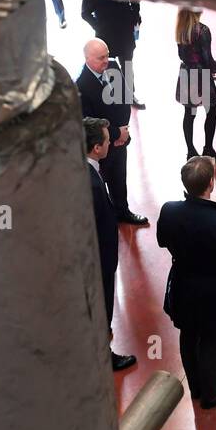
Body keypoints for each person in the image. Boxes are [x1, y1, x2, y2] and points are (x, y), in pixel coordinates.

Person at [157, 156, 216, 409]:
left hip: (181, 286)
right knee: (211, 341)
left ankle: (196, 387)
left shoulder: (169, 210)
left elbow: (162, 241)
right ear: (211, 183)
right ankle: (212, 394)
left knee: (187, 336)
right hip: (213, 293)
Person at [76, 39, 148, 226]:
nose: (106, 60)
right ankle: (107, 217)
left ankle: (123, 211)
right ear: (87, 58)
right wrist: (116, 134)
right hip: (101, 145)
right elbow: (88, 122)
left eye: (107, 54)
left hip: (120, 139)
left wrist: (123, 132)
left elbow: (124, 99)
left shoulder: (114, 66)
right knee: (102, 182)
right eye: (101, 58)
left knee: (119, 178)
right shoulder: (81, 85)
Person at [84, 117, 136, 371]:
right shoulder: (91, 183)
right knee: (101, 306)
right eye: (107, 140)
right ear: (96, 148)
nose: (110, 143)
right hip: (98, 262)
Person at [175, 7, 216, 160]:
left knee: (189, 114)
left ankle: (190, 150)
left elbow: (181, 55)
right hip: (201, 74)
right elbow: (206, 56)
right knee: (212, 111)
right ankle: (208, 148)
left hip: (186, 72)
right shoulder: (202, 30)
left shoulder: (181, 29)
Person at [81, 0, 144, 108]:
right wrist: (100, 27)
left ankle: (130, 96)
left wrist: (134, 17)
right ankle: (111, 97)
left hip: (125, 30)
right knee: (106, 66)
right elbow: (85, 13)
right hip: (106, 33)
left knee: (127, 64)